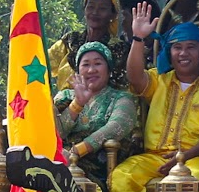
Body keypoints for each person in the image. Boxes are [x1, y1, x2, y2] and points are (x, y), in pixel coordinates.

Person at [110, 5, 199, 192]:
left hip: (195, 159)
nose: (183, 53)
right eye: (177, 47)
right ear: (170, 53)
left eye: (191, 47)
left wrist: (184, 156)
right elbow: (134, 77)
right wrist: (138, 38)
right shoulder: (159, 80)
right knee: (122, 176)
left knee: (192, 180)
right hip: (154, 158)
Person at [54, 42, 138, 180]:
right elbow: (56, 132)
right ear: (77, 71)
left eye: (98, 64)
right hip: (59, 159)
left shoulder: (121, 98)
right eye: (86, 64)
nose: (91, 70)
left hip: (97, 167)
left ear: (109, 70)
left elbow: (117, 125)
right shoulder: (64, 97)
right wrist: (77, 104)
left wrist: (76, 152)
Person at [48, 0, 128, 93]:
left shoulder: (119, 49)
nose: (95, 12)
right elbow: (41, 65)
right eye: (90, 7)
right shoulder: (70, 41)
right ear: (84, 10)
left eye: (102, 8)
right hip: (64, 102)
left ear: (113, 15)